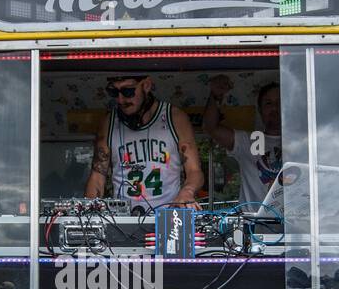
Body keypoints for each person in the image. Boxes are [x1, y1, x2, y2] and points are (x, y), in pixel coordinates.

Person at [84, 74, 202, 209]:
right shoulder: (109, 122)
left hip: (168, 217)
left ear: (146, 86)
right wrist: (89, 214)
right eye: (114, 92)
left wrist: (187, 192)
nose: (121, 99)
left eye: (128, 91)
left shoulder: (175, 118)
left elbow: (195, 171)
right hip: (124, 220)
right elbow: (98, 176)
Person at [203, 75, 283, 205]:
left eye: (279, 102)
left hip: (292, 221)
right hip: (254, 221)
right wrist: (215, 95)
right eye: (268, 103)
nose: (274, 108)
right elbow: (211, 128)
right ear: (260, 110)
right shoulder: (250, 140)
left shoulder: (301, 142)